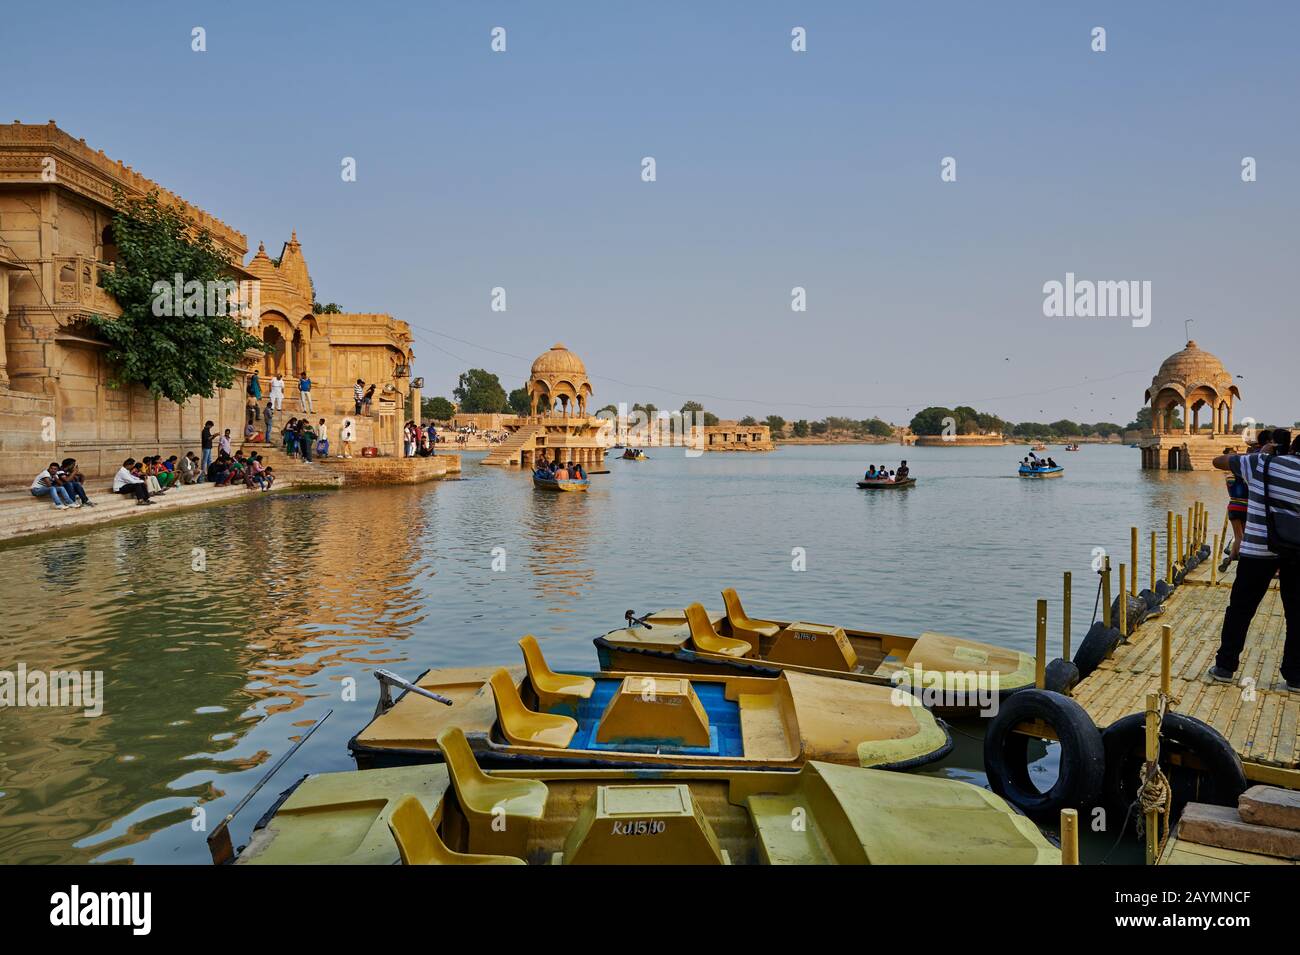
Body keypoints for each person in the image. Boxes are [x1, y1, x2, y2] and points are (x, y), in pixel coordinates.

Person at [1209, 428, 1299, 691]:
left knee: (1241, 610)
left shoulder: (1261, 462)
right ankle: (1295, 677)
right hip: (1297, 552)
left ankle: (1225, 667)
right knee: (1296, 614)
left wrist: (1261, 453)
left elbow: (1219, 462)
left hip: (1258, 550)